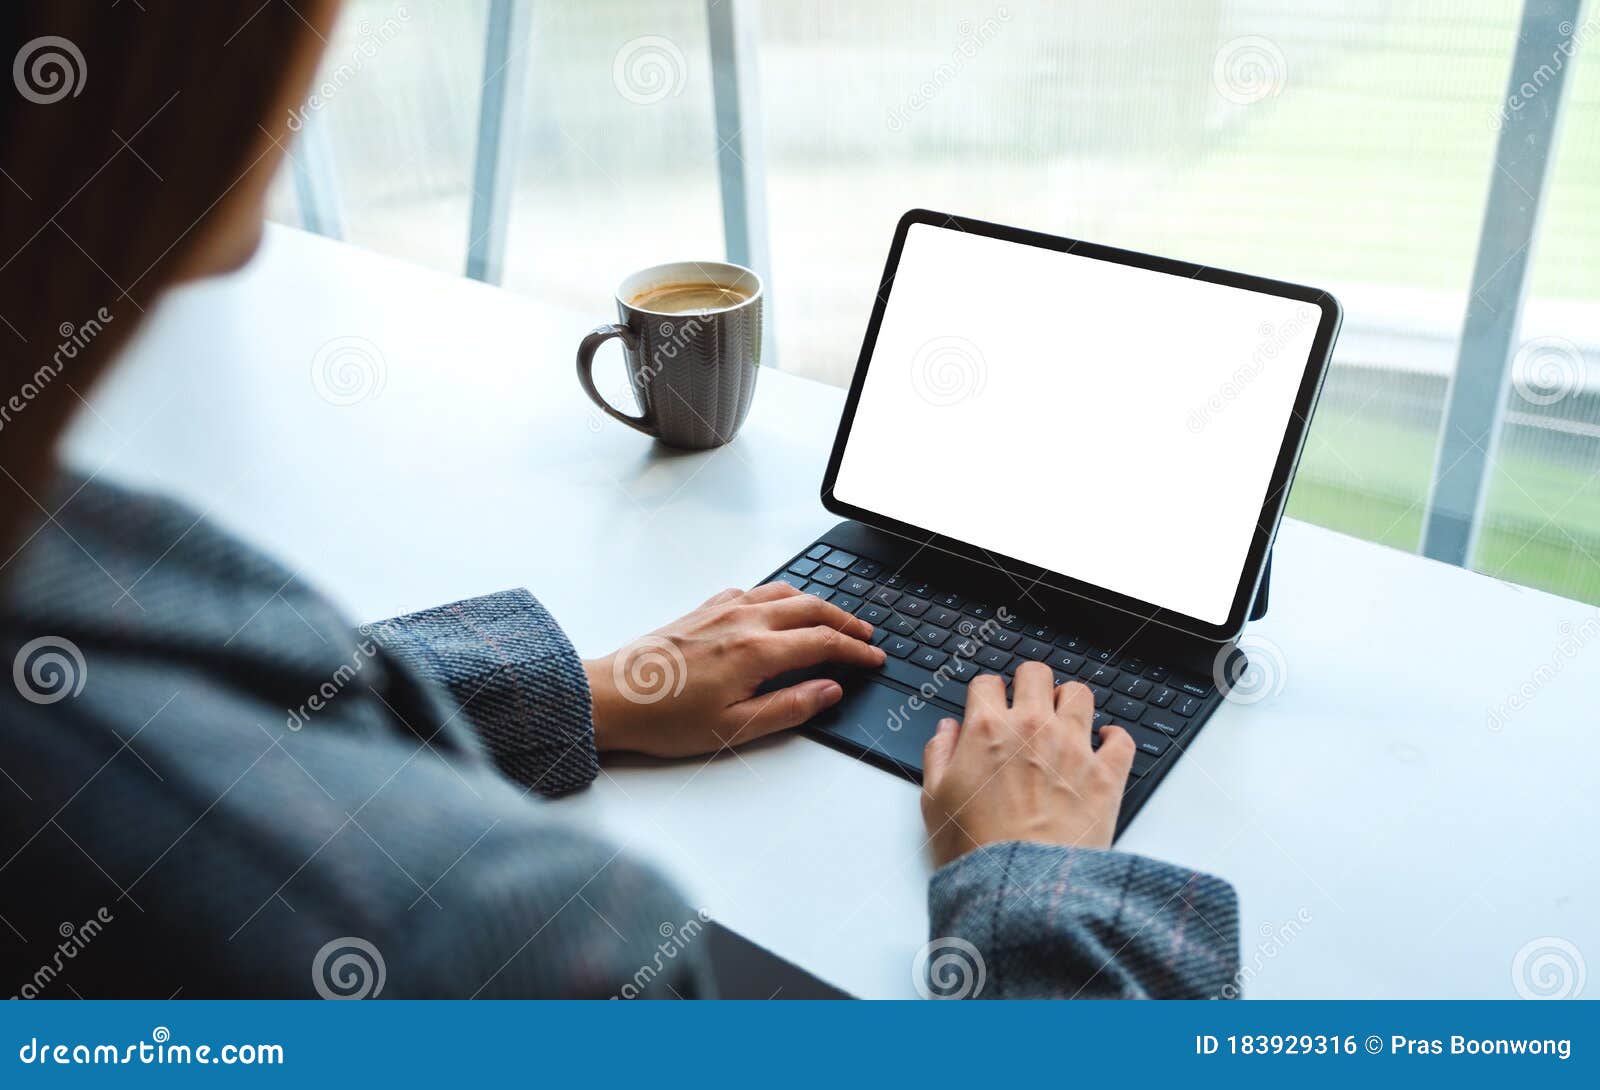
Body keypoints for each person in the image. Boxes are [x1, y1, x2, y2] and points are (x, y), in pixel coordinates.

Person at [0, 3, 1238, 999]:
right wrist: (1040, 893)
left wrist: (578, 689)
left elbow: (220, 720)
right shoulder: (516, 945)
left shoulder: (71, 571)